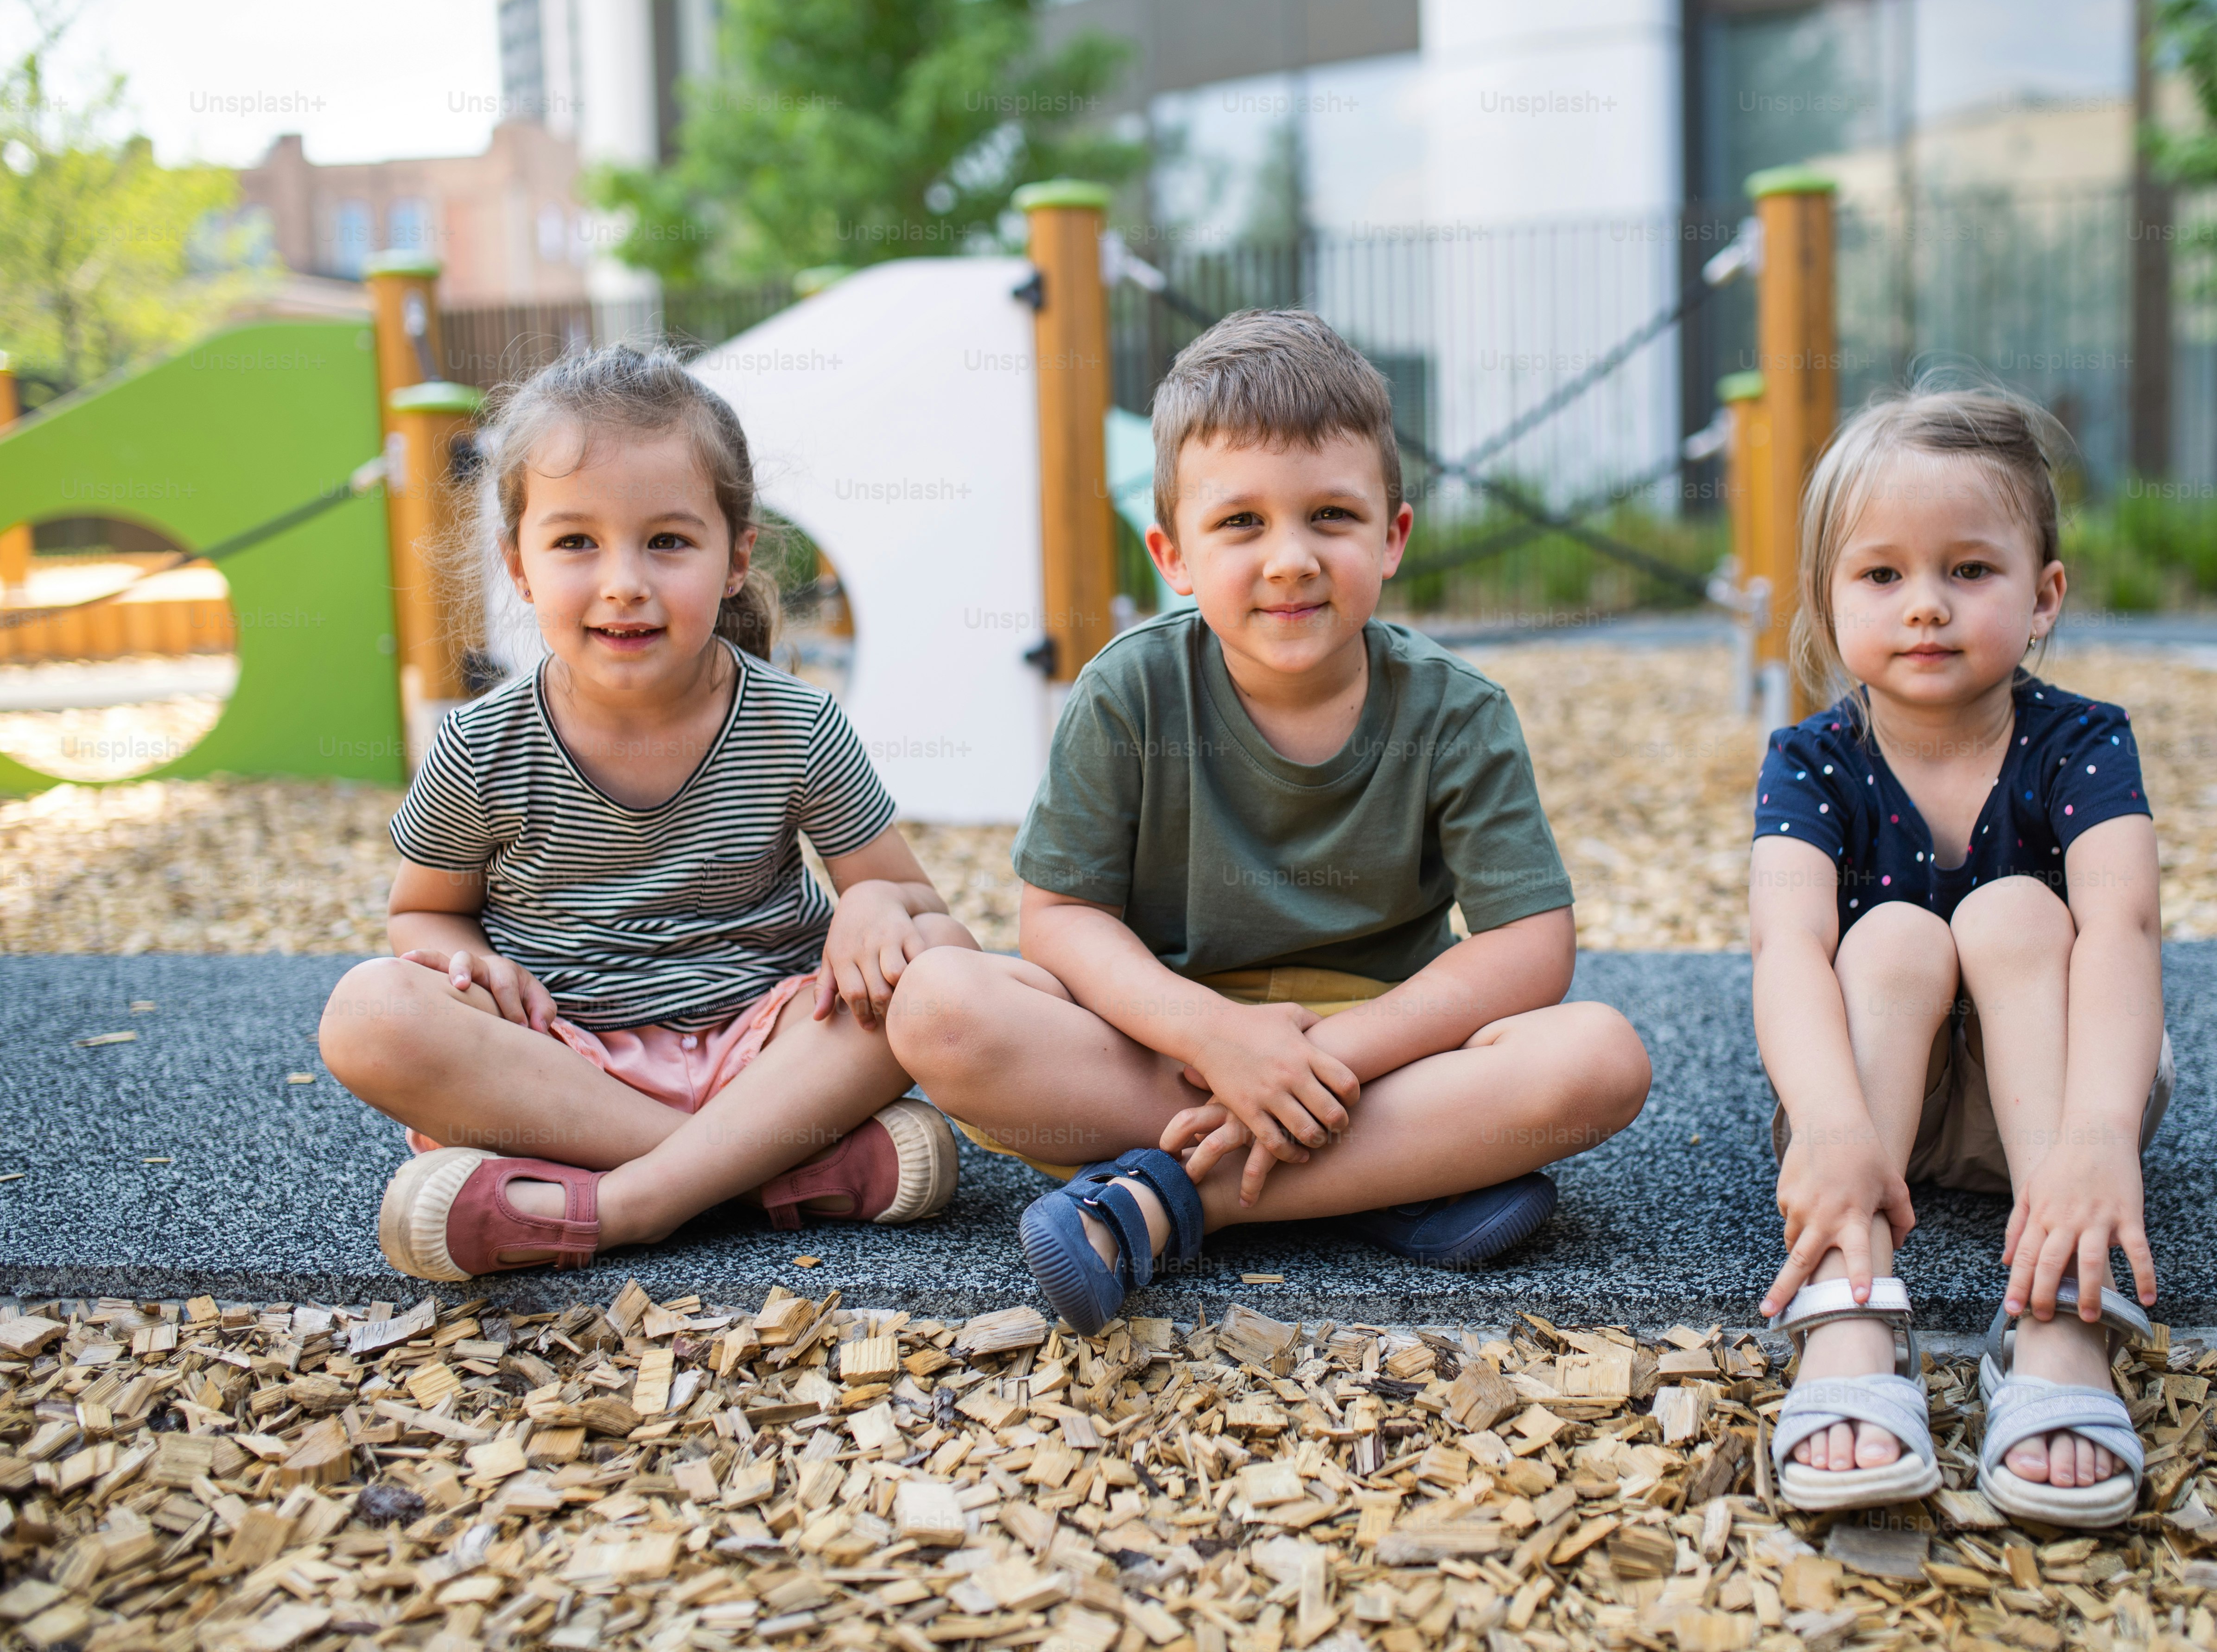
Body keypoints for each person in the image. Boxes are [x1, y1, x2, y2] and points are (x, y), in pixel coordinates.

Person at [887, 309, 1651, 1333]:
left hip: (1378, 1057)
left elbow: (1528, 945)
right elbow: (1061, 916)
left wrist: (1327, 1062)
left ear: (1393, 537)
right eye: (1241, 523)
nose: (1290, 558)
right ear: (1174, 554)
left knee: (1599, 1060)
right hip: (1167, 1050)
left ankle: (1163, 1200)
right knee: (939, 1006)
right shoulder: (1130, 692)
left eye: (1330, 516)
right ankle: (1389, 1181)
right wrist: (1219, 1035)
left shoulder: (1457, 712)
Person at [319, 346, 971, 1281]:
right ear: (520, 566)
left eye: (667, 541)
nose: (624, 580)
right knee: (369, 1011)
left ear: (736, 556)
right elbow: (422, 911)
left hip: (769, 1047)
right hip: (562, 1070)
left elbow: (911, 897)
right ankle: (760, 1172)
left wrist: (876, 907)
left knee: (938, 962)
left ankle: (623, 1202)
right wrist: (471, 961)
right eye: (577, 542)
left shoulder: (794, 722)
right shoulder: (483, 744)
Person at [1747, 386, 2172, 1527]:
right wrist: (1830, 1124)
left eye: (1969, 571)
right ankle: (1847, 1311)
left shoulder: (2082, 741)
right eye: (1881, 575)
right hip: (1875, 1108)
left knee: (2018, 915)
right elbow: (1787, 948)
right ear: (1829, 605)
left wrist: (2097, 1132)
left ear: (2043, 598)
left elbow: (2126, 927)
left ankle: (2060, 1323)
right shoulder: (1812, 759)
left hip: (2059, 1097)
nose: (1925, 606)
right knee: (1886, 933)